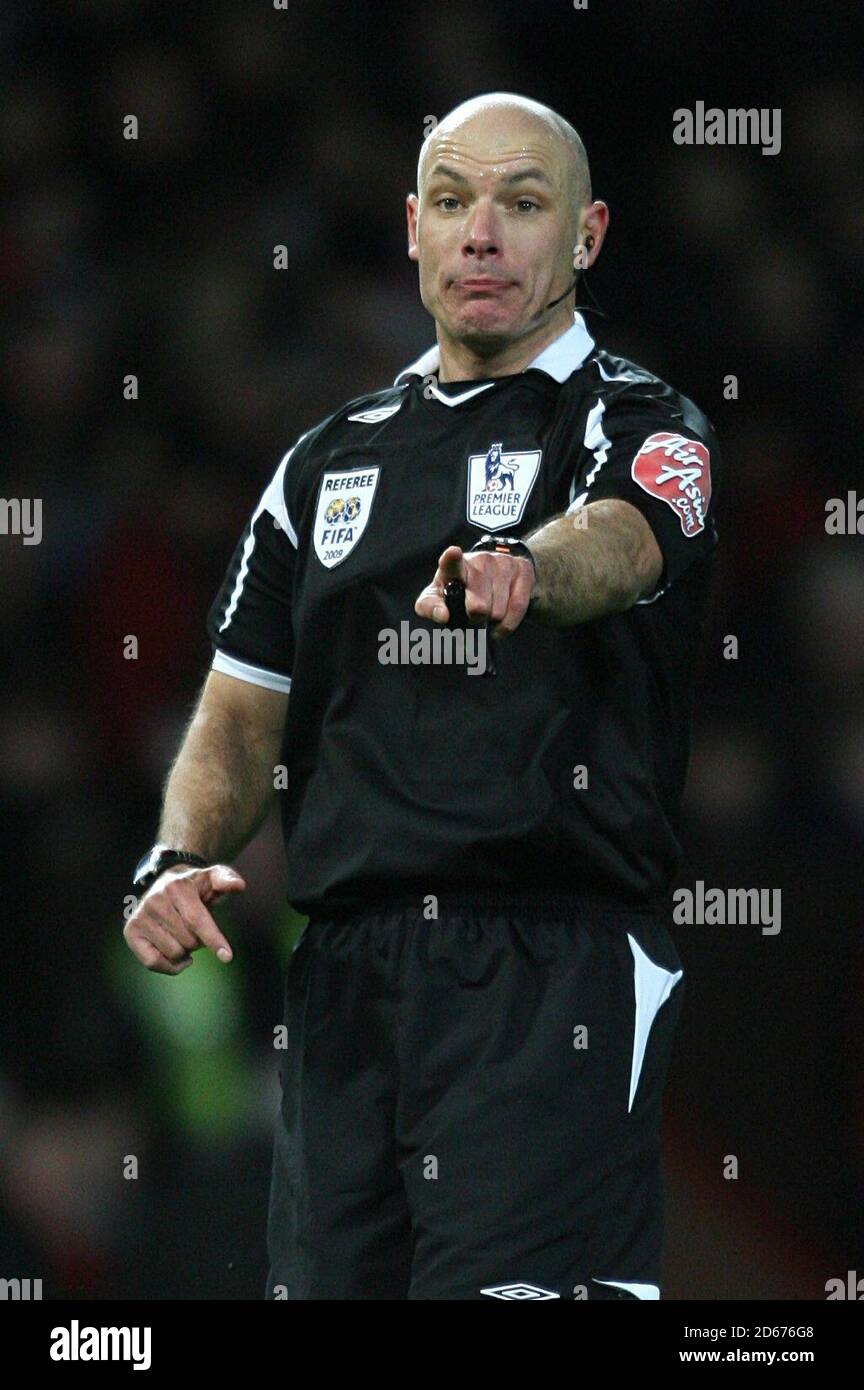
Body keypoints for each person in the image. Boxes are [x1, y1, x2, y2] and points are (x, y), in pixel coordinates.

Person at [124, 92, 721, 1300]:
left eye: (523, 201)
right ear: (411, 229)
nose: (482, 234)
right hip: (346, 983)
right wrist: (176, 851)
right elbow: (244, 706)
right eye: (451, 203)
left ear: (589, 235)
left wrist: (529, 569)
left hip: (551, 971)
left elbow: (628, 539)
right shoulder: (325, 463)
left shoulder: (642, 421)